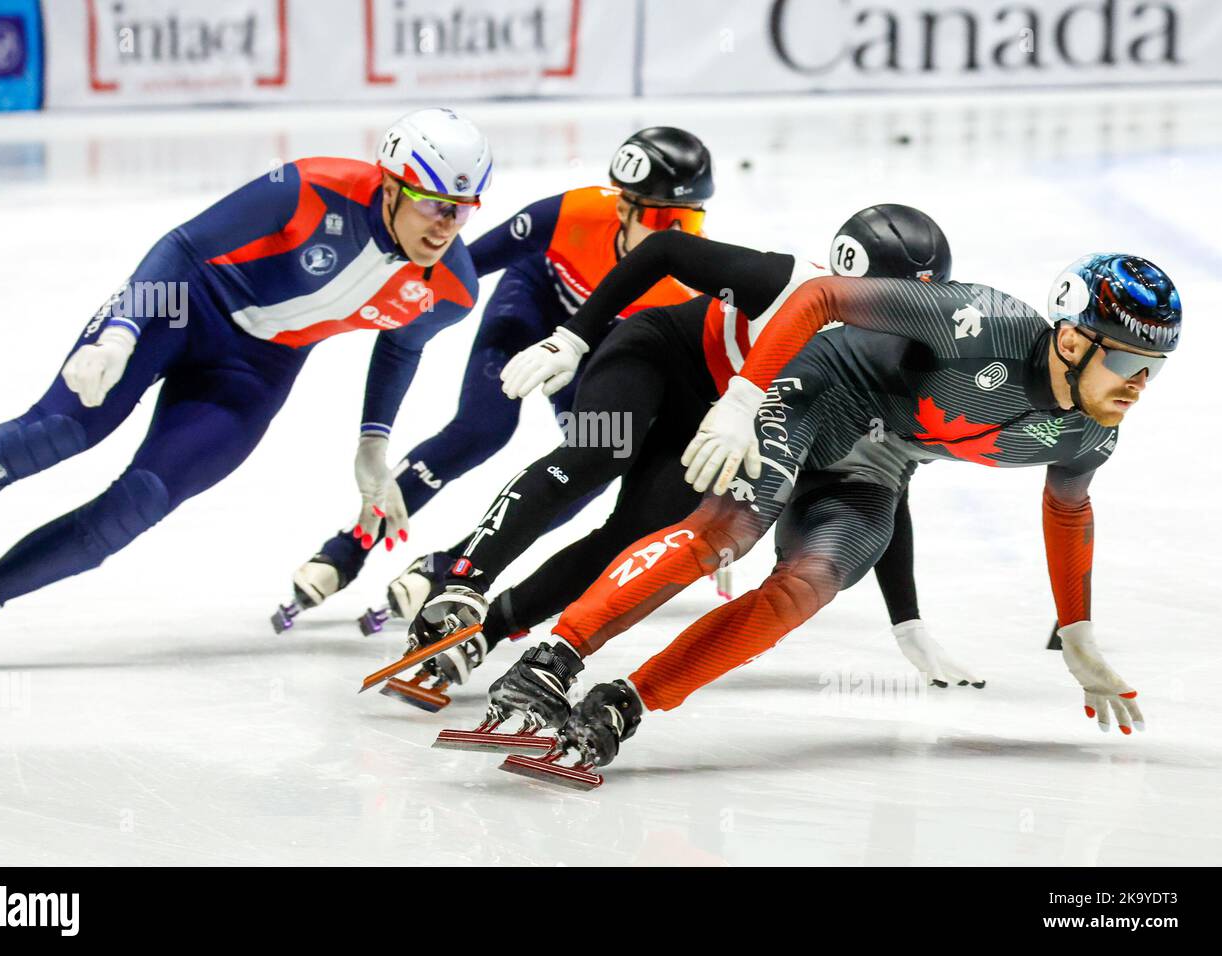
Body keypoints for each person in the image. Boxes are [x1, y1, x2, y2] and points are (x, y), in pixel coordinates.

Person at [487, 253, 1181, 775]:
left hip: (875, 462)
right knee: (729, 532)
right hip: (814, 396)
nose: (1140, 384)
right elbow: (821, 296)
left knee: (807, 585)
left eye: (1156, 366)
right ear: (1070, 340)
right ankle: (554, 657)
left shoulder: (1093, 433)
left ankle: (626, 702)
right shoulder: (980, 320)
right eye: (1126, 358)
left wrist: (1078, 631)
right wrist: (741, 398)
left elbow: (1069, 509)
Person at [0, 107, 491, 660]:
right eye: (435, 205)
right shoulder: (310, 186)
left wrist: (373, 445)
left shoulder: (450, 290)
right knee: (55, 432)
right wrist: (122, 331)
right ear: (392, 185)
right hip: (179, 309)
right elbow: (185, 246)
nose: (445, 226)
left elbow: (400, 344)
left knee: (136, 506)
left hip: (253, 371)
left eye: (461, 212)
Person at [411, 205, 980, 698]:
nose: (901, 325)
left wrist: (907, 623)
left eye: (917, 311)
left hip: (711, 429)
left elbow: (881, 481)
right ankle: (464, 580)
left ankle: (487, 631)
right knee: (600, 452)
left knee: (636, 536)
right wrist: (575, 336)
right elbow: (664, 248)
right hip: (656, 355)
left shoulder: (892, 366)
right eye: (889, 305)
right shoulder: (782, 282)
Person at [275, 128, 714, 631]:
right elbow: (461, 264)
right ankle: (349, 548)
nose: (677, 233)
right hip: (529, 310)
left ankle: (451, 565)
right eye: (661, 218)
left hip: (600, 354)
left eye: (692, 217)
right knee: (482, 428)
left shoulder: (691, 285)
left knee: (589, 468)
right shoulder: (571, 212)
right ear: (622, 208)